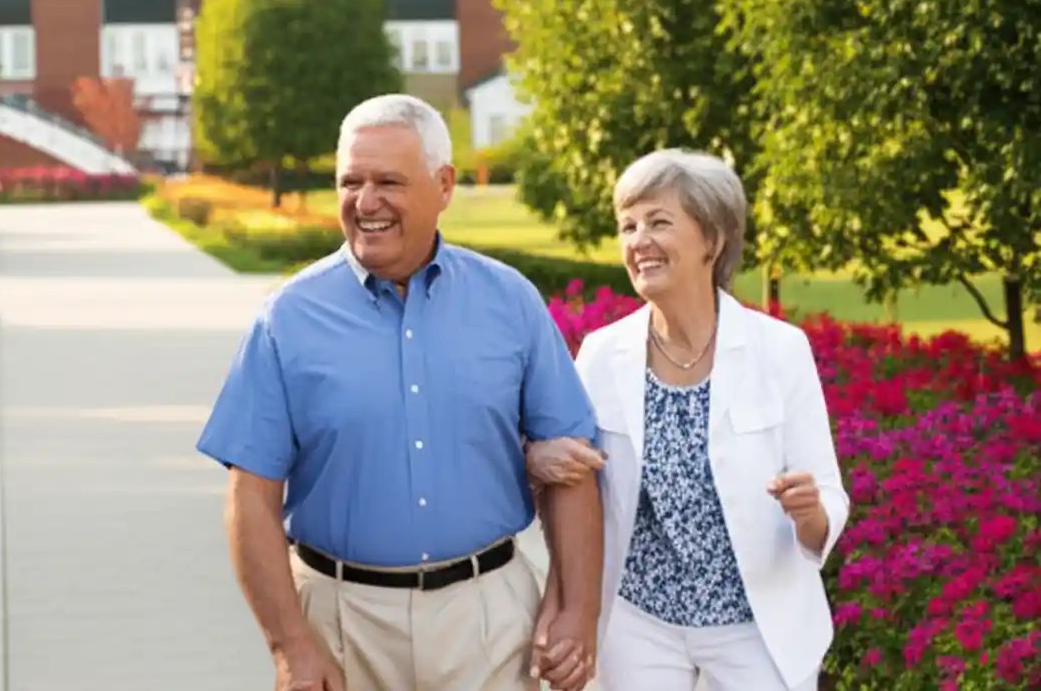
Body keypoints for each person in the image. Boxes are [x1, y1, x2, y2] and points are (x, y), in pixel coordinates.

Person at [195, 93, 605, 691]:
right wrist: (290, 647)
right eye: (350, 182)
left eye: (388, 181)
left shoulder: (509, 301)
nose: (366, 202)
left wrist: (578, 611)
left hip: (487, 623)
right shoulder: (287, 318)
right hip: (340, 623)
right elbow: (249, 499)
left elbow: (573, 466)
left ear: (443, 185)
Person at [527, 148, 850, 690]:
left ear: (713, 239)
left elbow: (829, 497)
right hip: (637, 620)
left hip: (755, 623)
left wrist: (808, 511)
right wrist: (536, 457)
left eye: (658, 222)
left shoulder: (780, 350)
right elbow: (572, 482)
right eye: (627, 226)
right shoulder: (603, 354)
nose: (638, 242)